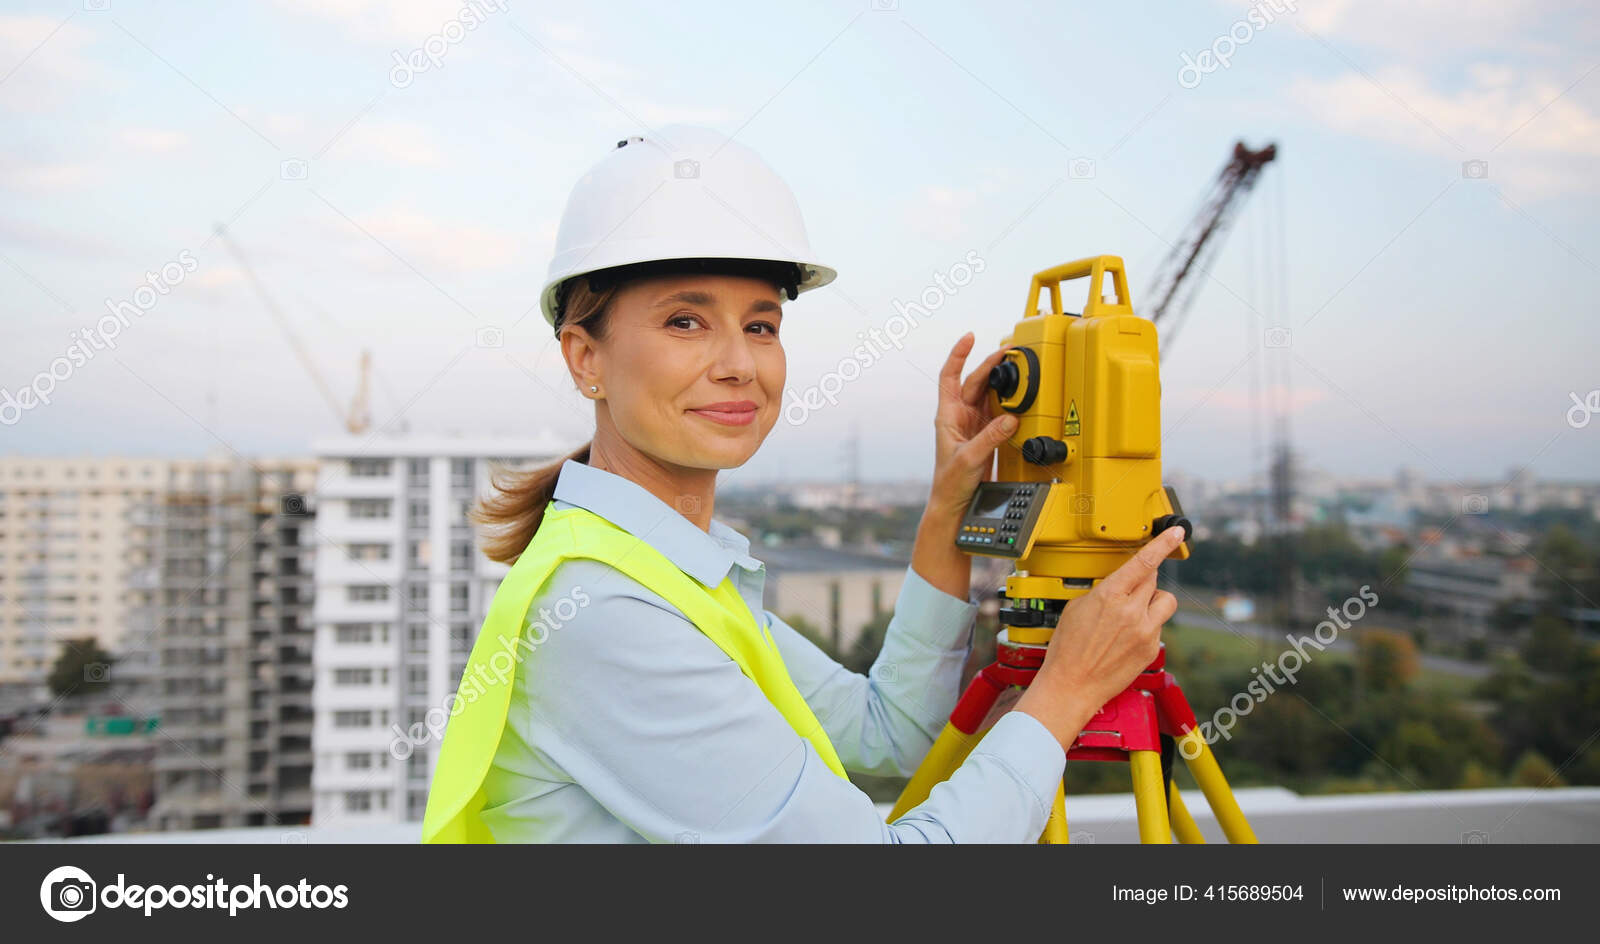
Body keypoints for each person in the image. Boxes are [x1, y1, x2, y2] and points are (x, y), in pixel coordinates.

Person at [421, 125, 1179, 843]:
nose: (739, 364)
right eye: (686, 321)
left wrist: (953, 497)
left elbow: (895, 730)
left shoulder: (670, 572)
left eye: (761, 325)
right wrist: (1068, 692)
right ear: (585, 358)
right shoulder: (606, 607)